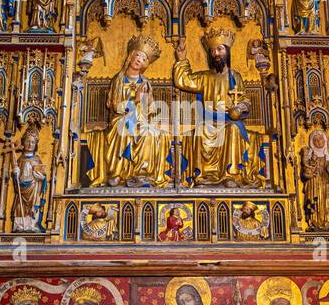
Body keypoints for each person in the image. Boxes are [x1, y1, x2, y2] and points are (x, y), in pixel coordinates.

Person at [171, 26, 262, 187]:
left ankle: (230, 175)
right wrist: (181, 59)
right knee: (202, 130)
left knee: (233, 130)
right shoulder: (205, 77)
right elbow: (183, 81)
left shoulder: (234, 76)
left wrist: (239, 108)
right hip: (210, 121)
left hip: (229, 120)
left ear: (227, 52)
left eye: (220, 49)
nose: (216, 54)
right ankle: (205, 175)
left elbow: (245, 99)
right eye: (212, 51)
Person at [89, 34, 168, 187]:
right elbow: (114, 105)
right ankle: (117, 173)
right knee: (124, 127)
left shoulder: (145, 83)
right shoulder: (119, 80)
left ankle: (141, 174)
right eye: (138, 55)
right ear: (131, 56)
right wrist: (134, 100)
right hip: (121, 118)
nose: (140, 59)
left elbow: (149, 111)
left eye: (144, 58)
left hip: (141, 120)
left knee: (149, 133)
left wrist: (145, 102)